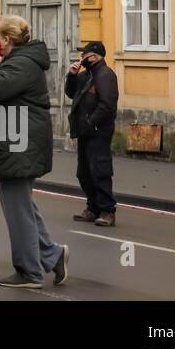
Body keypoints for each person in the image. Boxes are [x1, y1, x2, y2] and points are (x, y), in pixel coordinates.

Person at [0, 15, 69, 289]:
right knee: (23, 207)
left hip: (19, 145)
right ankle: (53, 254)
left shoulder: (22, 64)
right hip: (17, 143)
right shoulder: (19, 62)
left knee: (17, 211)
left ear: (7, 40)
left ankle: (30, 272)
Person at [65, 41, 119, 227]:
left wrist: (90, 122)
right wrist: (71, 76)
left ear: (95, 56)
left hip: (98, 132)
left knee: (100, 171)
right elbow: (71, 93)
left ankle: (107, 211)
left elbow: (107, 105)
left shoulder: (105, 75)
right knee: (84, 173)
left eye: (85, 55)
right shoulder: (85, 75)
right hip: (84, 132)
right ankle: (93, 207)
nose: (82, 58)